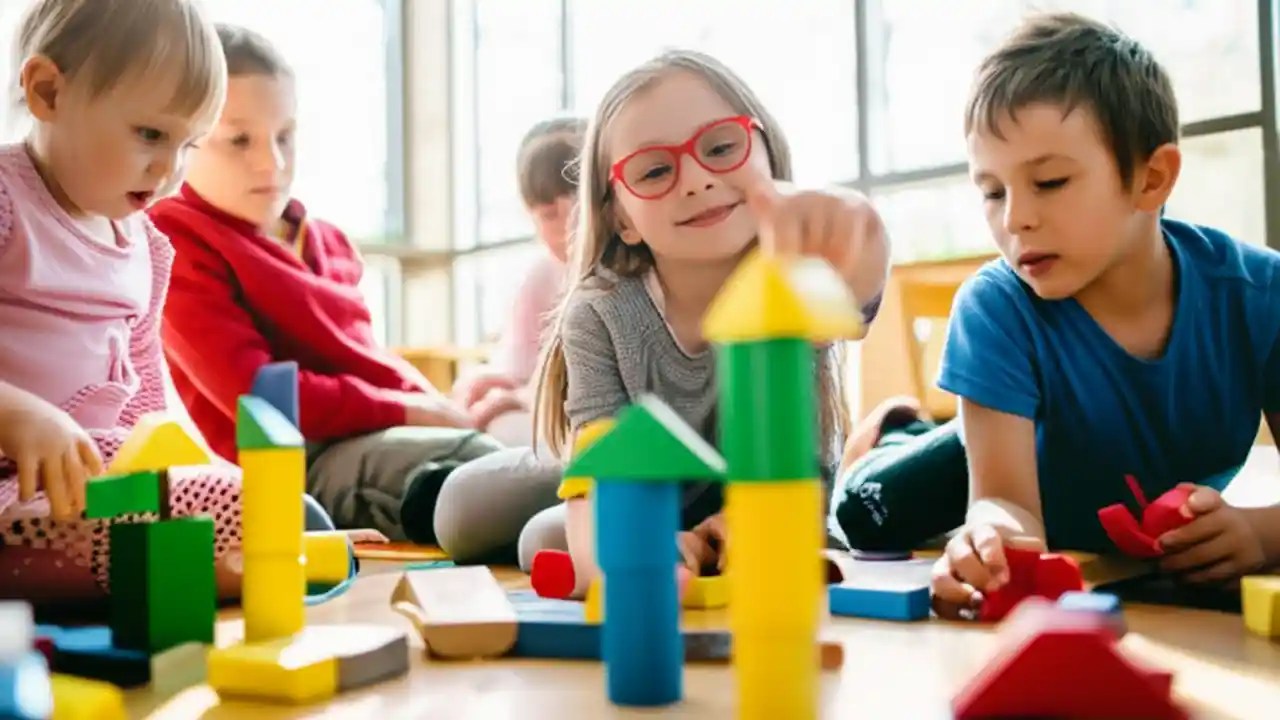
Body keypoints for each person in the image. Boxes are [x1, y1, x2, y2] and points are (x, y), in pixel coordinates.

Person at [929, 12, 1280, 619]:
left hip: (1124, 528)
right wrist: (991, 539)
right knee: (866, 505)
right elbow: (1006, 506)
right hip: (967, 461)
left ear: (1152, 178)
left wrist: (1261, 533)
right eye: (992, 191)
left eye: (1050, 181)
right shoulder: (995, 307)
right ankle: (897, 431)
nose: (1014, 219)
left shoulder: (1258, 294)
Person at [521, 48, 891, 595]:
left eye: (721, 147)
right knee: (503, 521)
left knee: (547, 540)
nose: (695, 179)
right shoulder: (600, 311)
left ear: (766, 152)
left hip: (761, 499)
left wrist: (864, 228)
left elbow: (861, 277)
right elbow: (599, 488)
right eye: (654, 170)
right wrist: (641, 559)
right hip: (638, 497)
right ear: (621, 217)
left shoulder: (795, 280)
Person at [149, 25, 502, 546]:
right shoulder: (175, 240)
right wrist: (413, 409)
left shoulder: (327, 242)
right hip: (287, 471)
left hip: (380, 438)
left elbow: (364, 359)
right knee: (485, 470)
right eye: (238, 140)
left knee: (509, 443)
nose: (272, 162)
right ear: (187, 141)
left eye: (285, 136)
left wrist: (436, 404)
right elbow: (258, 394)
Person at [0, 0, 239, 601]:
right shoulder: (9, 203)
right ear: (48, 93)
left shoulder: (147, 249)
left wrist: (206, 468)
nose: (169, 169)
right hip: (13, 483)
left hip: (101, 478)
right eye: (151, 133)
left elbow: (150, 396)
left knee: (248, 497)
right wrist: (16, 415)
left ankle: (206, 555)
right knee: (169, 534)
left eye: (189, 145)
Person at [452, 116, 584, 445]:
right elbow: (519, 364)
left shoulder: (626, 274)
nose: (567, 227)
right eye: (549, 214)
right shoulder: (543, 274)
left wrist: (524, 397)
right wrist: (499, 384)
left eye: (579, 207)